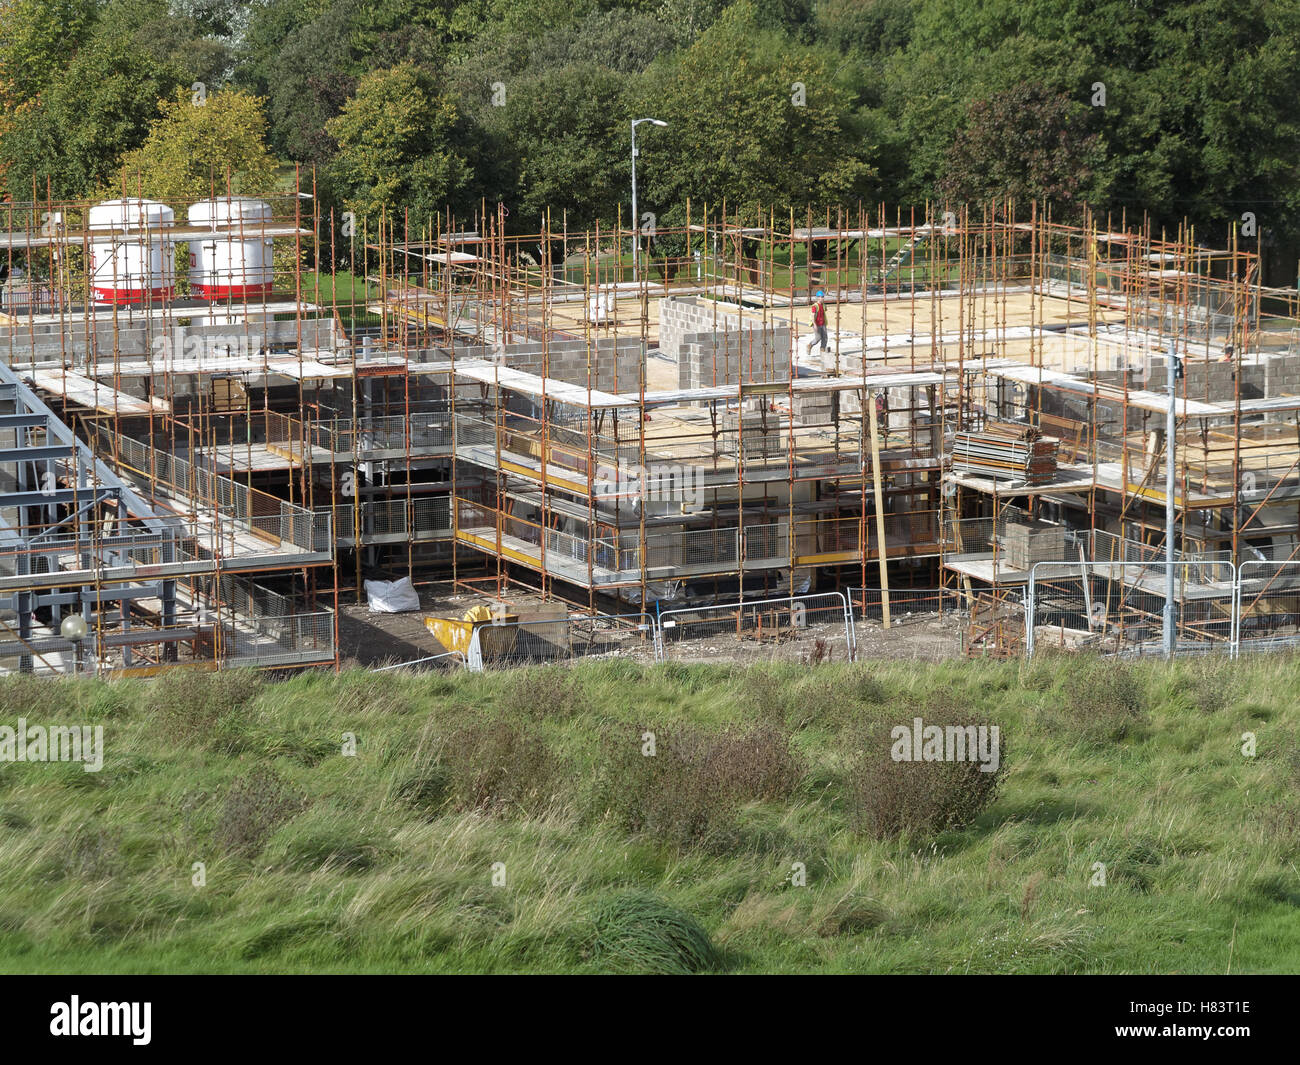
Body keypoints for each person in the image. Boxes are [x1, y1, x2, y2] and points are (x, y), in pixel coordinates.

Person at [810, 290, 828, 355]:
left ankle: (822, 350)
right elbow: (813, 315)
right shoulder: (815, 306)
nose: (823, 298)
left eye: (823, 297)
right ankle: (810, 345)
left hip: (822, 324)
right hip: (816, 324)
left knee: (825, 338)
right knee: (818, 338)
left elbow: (824, 312)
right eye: (821, 297)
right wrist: (814, 324)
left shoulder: (823, 305)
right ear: (818, 298)